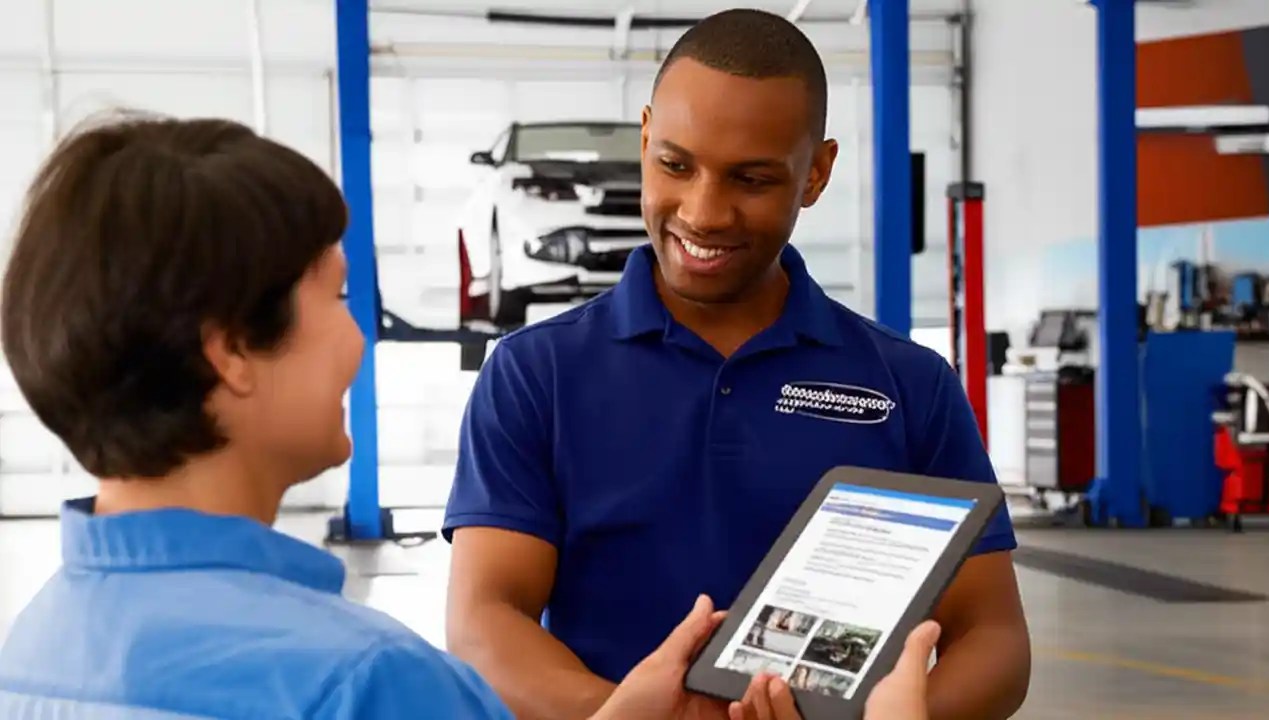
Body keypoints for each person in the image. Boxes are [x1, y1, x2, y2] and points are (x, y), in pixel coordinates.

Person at [0, 114, 778, 720]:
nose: (355, 336)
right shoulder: (366, 682)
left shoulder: (31, 647)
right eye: (336, 298)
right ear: (233, 350)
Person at [443, 8, 1032, 720]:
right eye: (675, 165)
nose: (704, 212)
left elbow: (993, 635)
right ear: (645, 137)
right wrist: (624, 714)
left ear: (815, 173)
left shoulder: (909, 386)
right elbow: (485, 621)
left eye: (750, 180)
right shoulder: (536, 375)